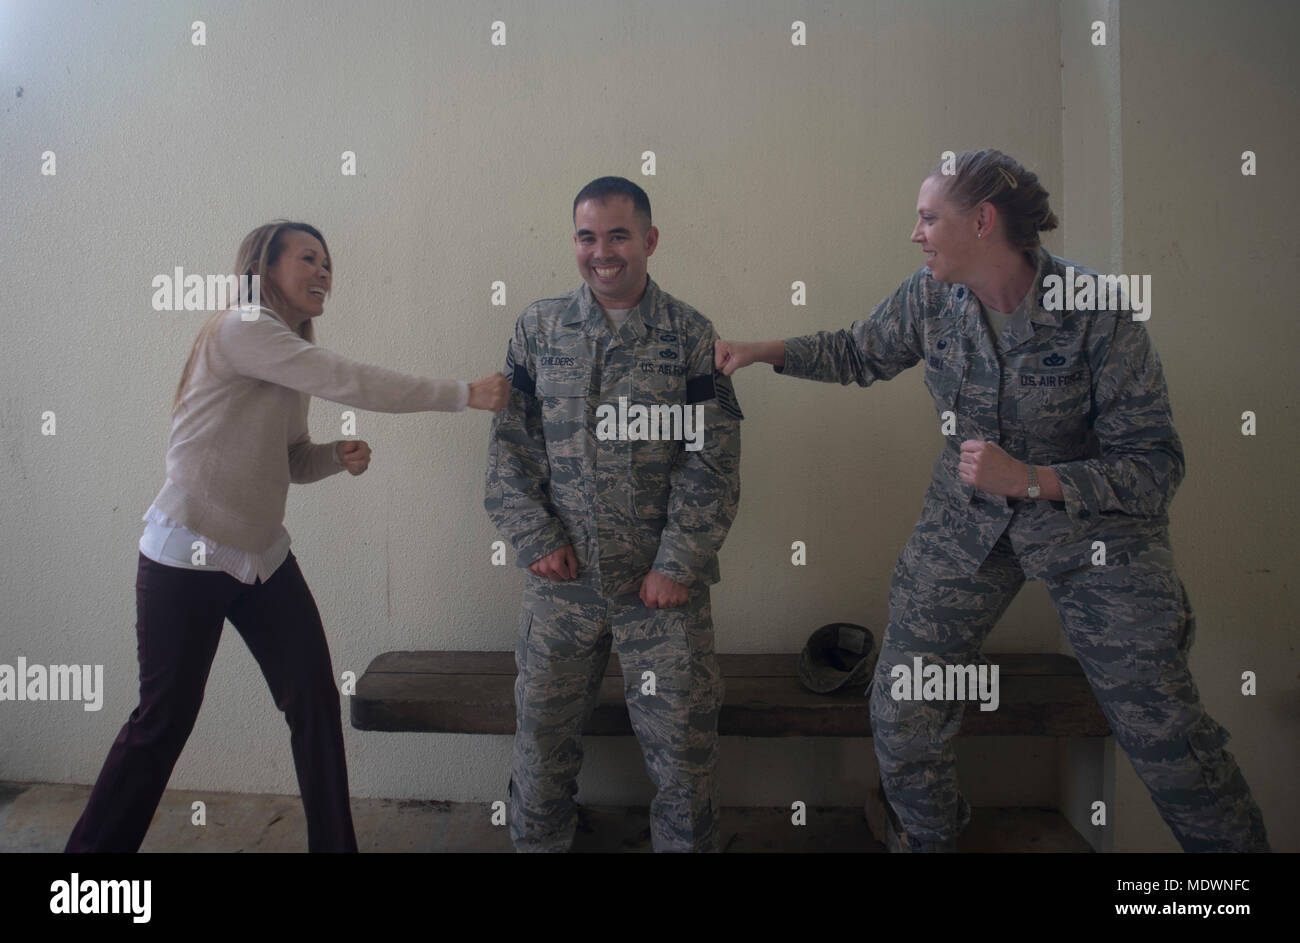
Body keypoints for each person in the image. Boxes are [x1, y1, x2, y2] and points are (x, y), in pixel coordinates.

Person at [715, 150, 1269, 853]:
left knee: (1164, 728)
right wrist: (764, 349)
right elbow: (861, 351)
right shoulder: (931, 295)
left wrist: (1035, 479)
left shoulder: (1096, 310)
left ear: (982, 221)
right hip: (967, 520)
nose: (915, 233)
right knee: (904, 707)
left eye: (927, 217)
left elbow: (1156, 465)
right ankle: (928, 839)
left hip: (1095, 532)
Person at [66, 221, 508, 853]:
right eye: (308, 258)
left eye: (328, 262)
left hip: (260, 561)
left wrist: (333, 456)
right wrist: (466, 394)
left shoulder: (281, 352)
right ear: (265, 266)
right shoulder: (244, 326)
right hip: (188, 552)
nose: (324, 271)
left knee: (314, 702)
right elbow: (350, 378)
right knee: (162, 723)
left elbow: (291, 458)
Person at [485, 177, 742, 852]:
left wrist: (678, 563)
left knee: (685, 755)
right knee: (542, 746)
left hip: (662, 594)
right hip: (561, 585)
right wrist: (536, 537)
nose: (602, 252)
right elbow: (511, 449)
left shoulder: (690, 334)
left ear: (649, 240)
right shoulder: (538, 329)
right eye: (587, 236)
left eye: (618, 235)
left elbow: (711, 460)